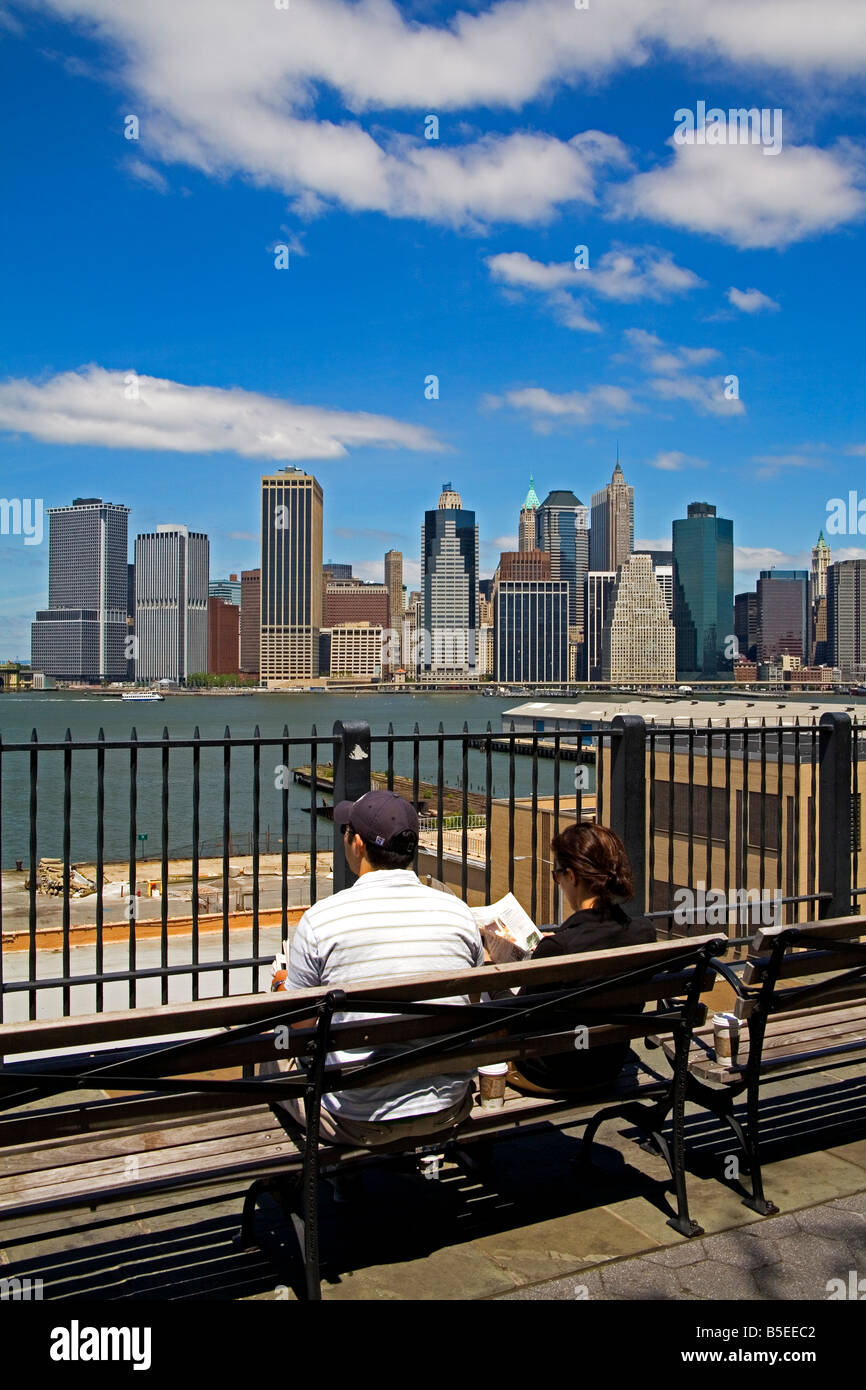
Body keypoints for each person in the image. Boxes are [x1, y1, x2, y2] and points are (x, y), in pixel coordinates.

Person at [272, 789, 484, 1147]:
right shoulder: (458, 914)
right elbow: (472, 1005)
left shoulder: (321, 921)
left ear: (357, 844)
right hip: (447, 1107)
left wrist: (282, 988)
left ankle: (310, 1180)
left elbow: (300, 1032)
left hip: (354, 1121)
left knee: (269, 1063)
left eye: (345, 832)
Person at [508, 822, 656, 1096]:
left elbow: (518, 1019)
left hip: (553, 1072)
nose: (559, 882)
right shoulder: (643, 935)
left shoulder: (559, 948)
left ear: (572, 876)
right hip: (608, 1066)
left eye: (557, 875)